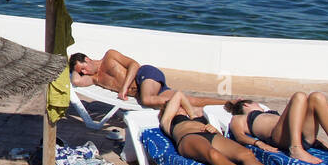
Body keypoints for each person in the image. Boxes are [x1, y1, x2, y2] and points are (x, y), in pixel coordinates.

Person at [158, 91, 301, 165]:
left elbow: (186, 101)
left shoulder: (196, 115)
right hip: (189, 138)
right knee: (213, 154)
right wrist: (185, 111)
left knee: (246, 154)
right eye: (178, 107)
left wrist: (212, 128)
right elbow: (179, 95)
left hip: (212, 135)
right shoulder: (167, 121)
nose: (181, 107)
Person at [70, 50, 223, 109]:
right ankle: (227, 103)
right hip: (145, 90)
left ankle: (179, 101)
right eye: (81, 72)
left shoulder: (109, 56)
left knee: (147, 100)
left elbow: (134, 65)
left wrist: (124, 88)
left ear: (87, 59)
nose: (84, 72)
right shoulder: (95, 79)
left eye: (83, 68)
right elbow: (76, 81)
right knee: (192, 101)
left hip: (145, 74)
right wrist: (71, 64)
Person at [224, 93, 328, 164]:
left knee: (316, 97)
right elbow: (239, 136)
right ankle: (295, 149)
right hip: (279, 137)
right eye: (256, 103)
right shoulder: (240, 118)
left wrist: (317, 142)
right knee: (299, 96)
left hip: (303, 137)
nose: (259, 105)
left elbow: (294, 124)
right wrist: (259, 143)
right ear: (246, 105)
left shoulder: (269, 113)